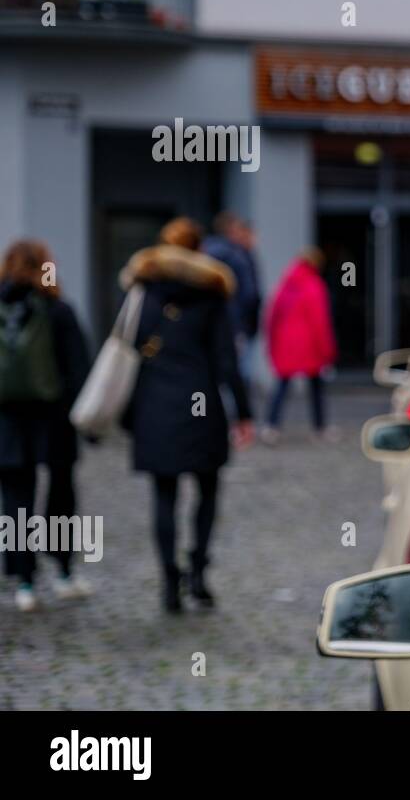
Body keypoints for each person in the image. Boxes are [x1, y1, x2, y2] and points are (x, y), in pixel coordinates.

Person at [120, 217, 254, 613]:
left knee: (164, 493)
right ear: (199, 250)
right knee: (207, 489)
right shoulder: (212, 294)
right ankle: (197, 572)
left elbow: (128, 346)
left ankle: (168, 580)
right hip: (201, 404)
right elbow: (227, 360)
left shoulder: (142, 290)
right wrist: (244, 413)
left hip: (154, 405)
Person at [0, 240, 92, 612]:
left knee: (16, 501)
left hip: (6, 418)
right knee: (60, 495)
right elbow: (79, 368)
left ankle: (24, 583)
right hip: (53, 419)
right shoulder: (58, 310)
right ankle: (64, 573)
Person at [263, 247, 337, 444]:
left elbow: (271, 318)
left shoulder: (286, 285)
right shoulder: (314, 286)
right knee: (315, 388)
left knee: (282, 386)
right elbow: (320, 321)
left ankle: (271, 426)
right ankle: (319, 427)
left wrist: (271, 344)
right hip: (309, 346)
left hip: (285, 345)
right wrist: (327, 350)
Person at [201, 212, 262, 381]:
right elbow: (250, 295)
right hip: (235, 324)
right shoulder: (236, 256)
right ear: (231, 231)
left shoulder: (206, 251)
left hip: (213, 323)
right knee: (236, 375)